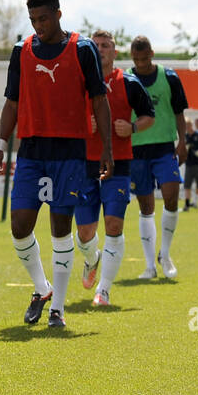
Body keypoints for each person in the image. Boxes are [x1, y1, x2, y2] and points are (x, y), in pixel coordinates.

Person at [0, 0, 110, 330]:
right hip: (31, 150)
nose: (38, 25)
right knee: (19, 226)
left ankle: (57, 308)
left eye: (43, 18)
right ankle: (41, 289)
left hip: (70, 152)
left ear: (59, 13)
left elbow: (99, 100)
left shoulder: (83, 48)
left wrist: (105, 148)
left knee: (61, 229)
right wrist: (1, 143)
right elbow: (12, 102)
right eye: (33, 20)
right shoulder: (22, 51)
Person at [72, 30, 154, 307]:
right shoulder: (78, 81)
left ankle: (103, 291)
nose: (101, 49)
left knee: (114, 224)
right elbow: (64, 114)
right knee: (85, 233)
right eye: (96, 46)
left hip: (118, 163)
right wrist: (84, 123)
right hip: (83, 162)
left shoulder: (128, 82)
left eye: (106, 46)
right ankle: (91, 258)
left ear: (114, 52)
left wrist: (131, 127)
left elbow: (148, 117)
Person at [128, 36, 189, 279]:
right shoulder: (126, 79)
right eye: (136, 59)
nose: (140, 63)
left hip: (164, 147)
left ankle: (164, 253)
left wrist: (182, 141)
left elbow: (178, 112)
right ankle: (149, 266)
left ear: (152, 54)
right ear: (132, 56)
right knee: (145, 207)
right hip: (136, 149)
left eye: (144, 58)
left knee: (172, 195)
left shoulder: (170, 77)